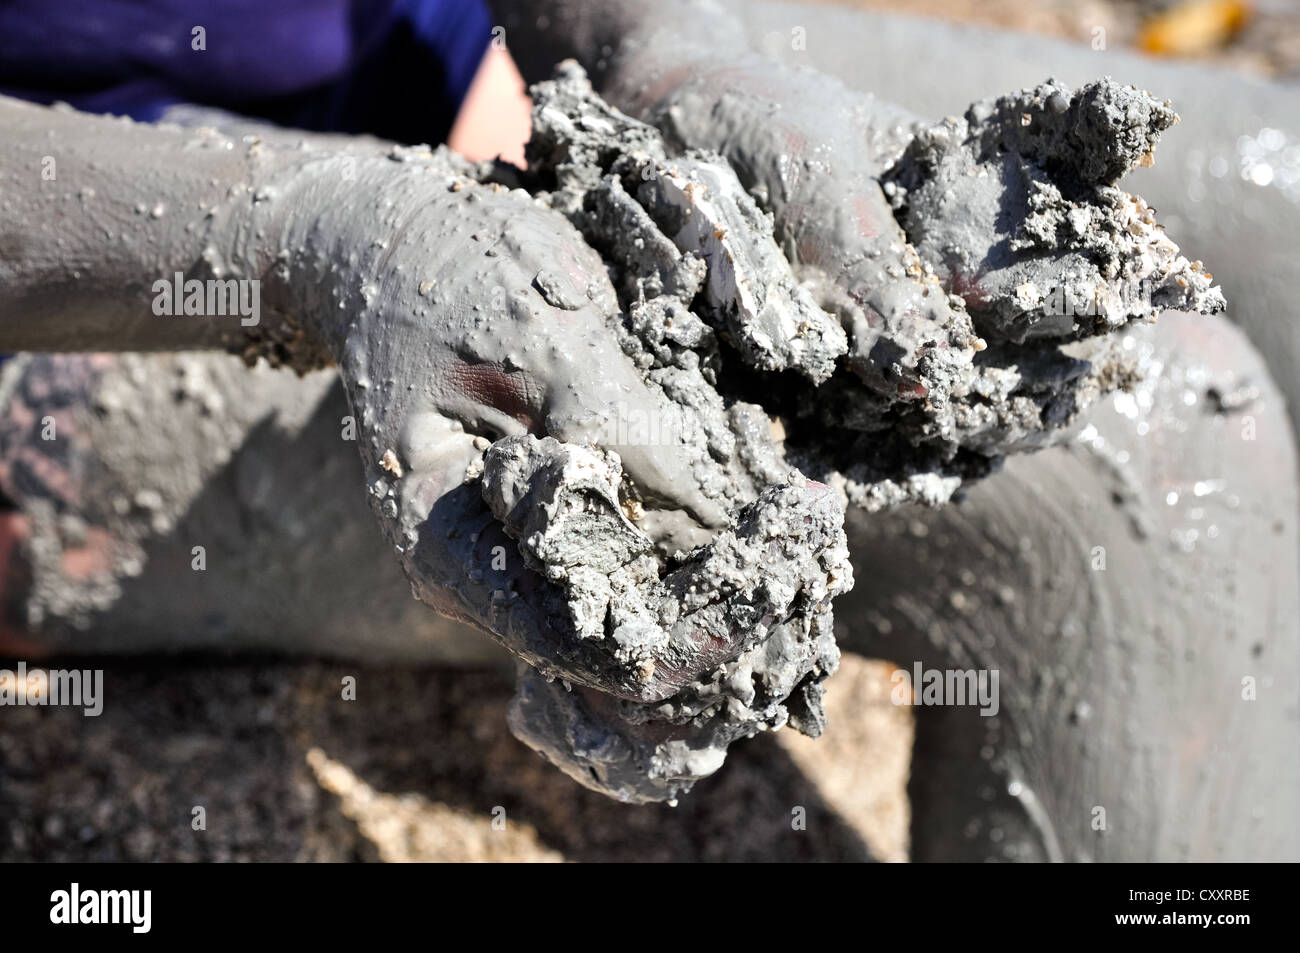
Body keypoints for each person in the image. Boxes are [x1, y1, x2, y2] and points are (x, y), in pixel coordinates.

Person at [0, 0, 1294, 859]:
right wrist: (327, 238)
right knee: (1155, 454)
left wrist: (666, 52)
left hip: (461, 50)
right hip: (102, 237)